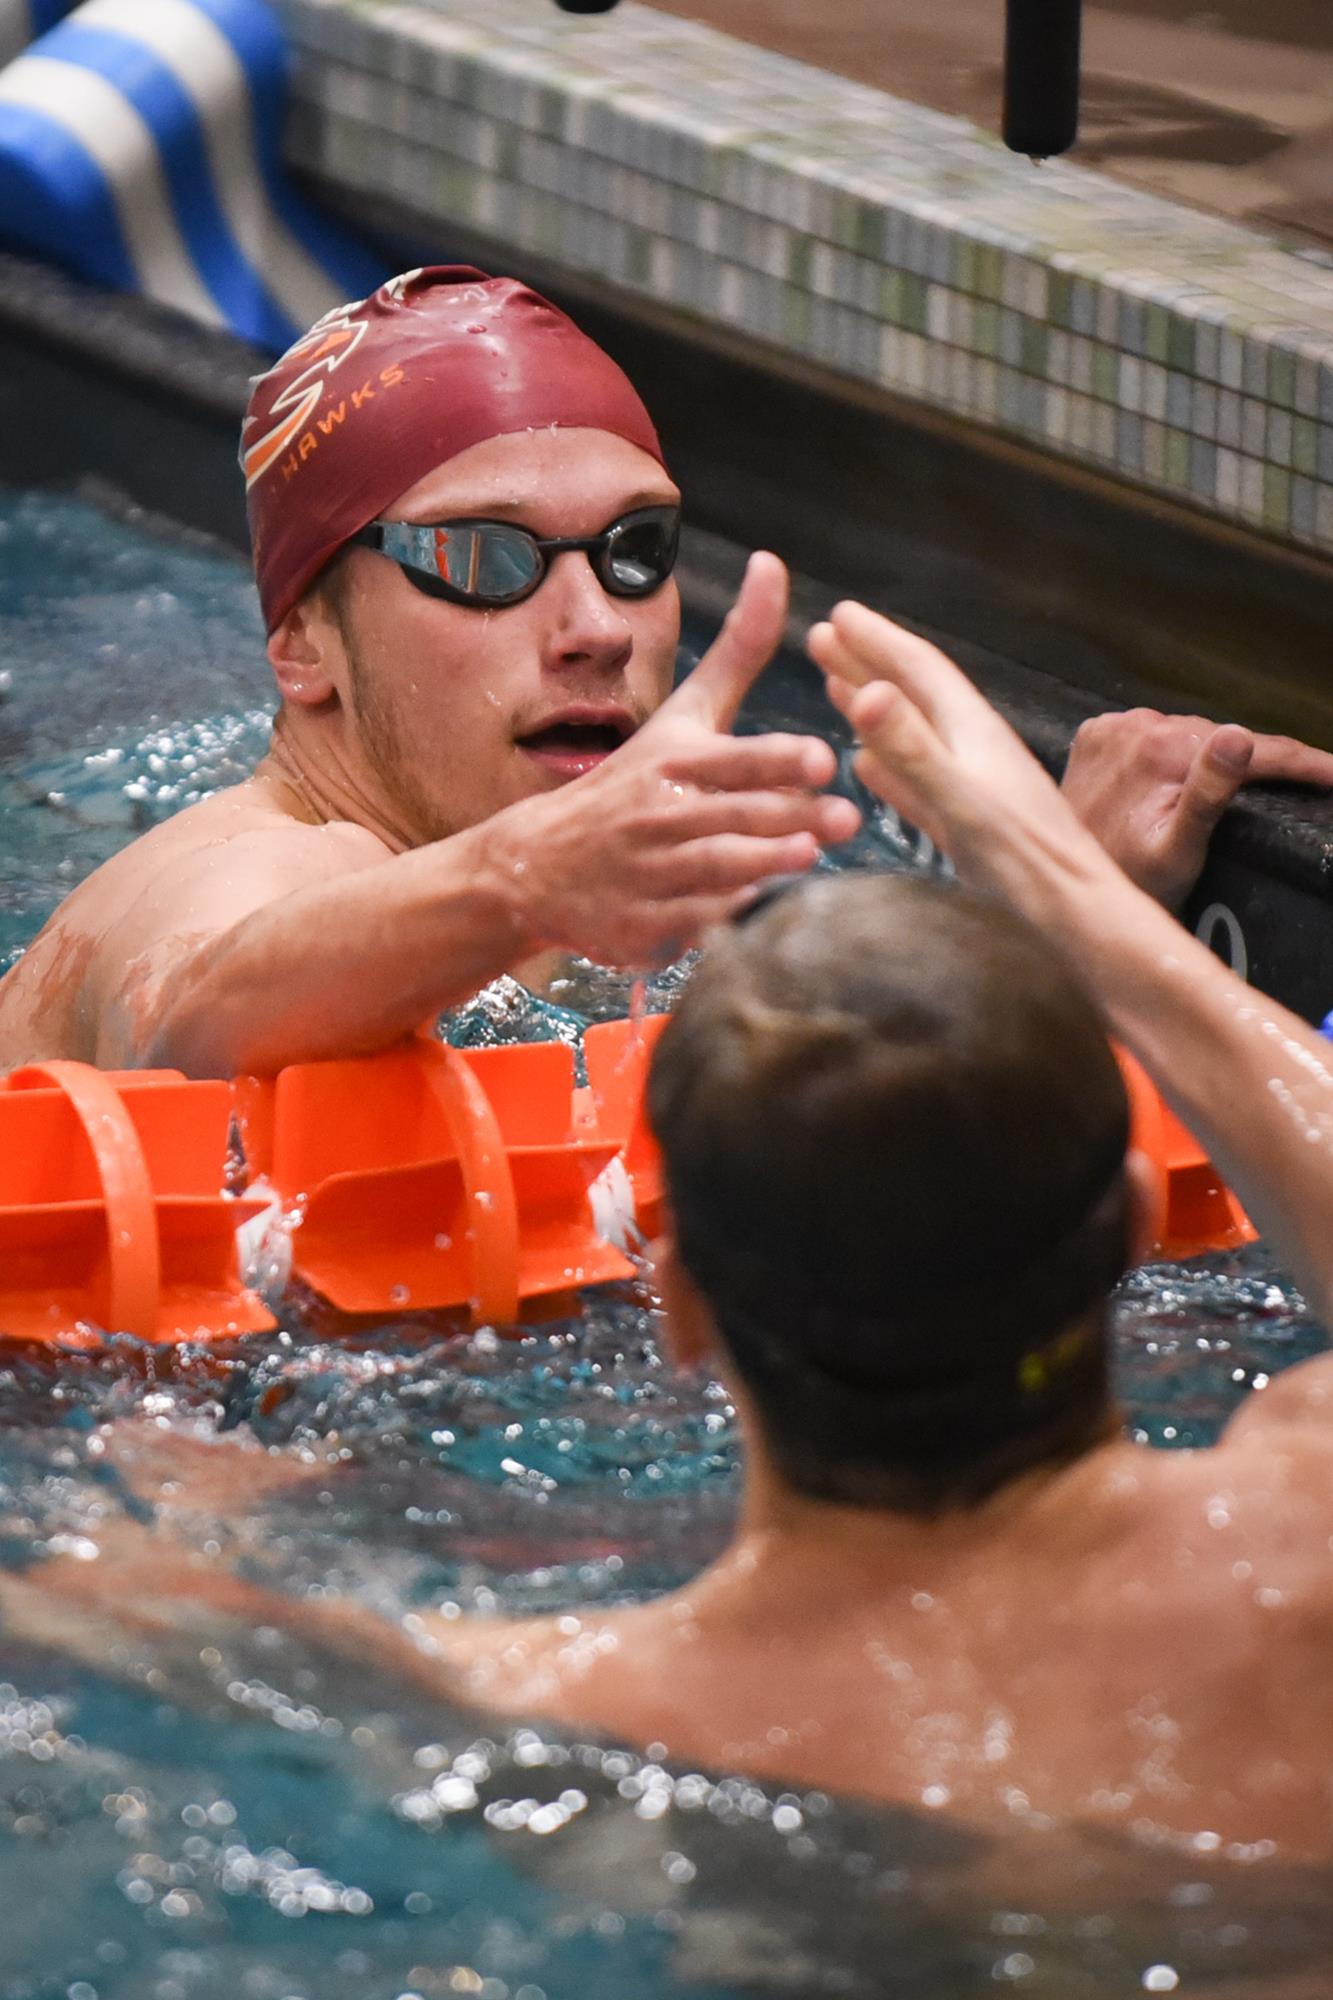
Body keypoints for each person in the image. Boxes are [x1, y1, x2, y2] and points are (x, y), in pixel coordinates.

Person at [10, 863, 1333, 1860]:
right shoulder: (1299, 1530)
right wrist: (1076, 885)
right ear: (1144, 1220)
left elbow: (91, 1609)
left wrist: (185, 1507)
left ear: (680, 1300)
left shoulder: (556, 1698)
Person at [0, 266, 860, 1076]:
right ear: (304, 641)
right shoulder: (250, 865)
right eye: (482, 557)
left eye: (634, 549)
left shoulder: (659, 897)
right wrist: (519, 883)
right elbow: (185, 1025)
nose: (598, 628)